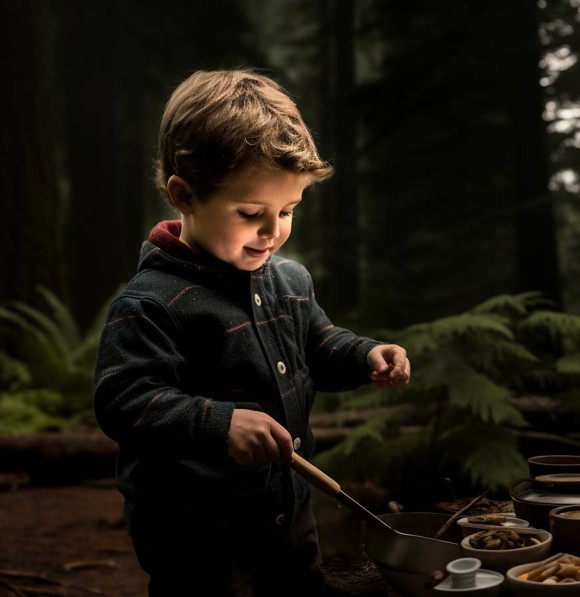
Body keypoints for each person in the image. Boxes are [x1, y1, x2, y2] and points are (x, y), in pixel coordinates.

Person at [93, 69, 411, 596]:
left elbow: (317, 345)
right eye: (251, 213)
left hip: (287, 508)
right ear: (185, 195)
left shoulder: (289, 281)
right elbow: (123, 399)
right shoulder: (150, 302)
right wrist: (218, 423)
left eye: (288, 211)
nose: (274, 231)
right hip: (195, 530)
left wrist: (366, 354)